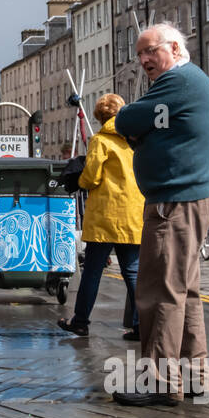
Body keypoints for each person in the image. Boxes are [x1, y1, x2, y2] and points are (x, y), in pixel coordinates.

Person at [110, 23, 209, 406]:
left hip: (174, 202)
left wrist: (139, 130)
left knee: (159, 293)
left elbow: (125, 120)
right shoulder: (186, 83)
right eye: (139, 54)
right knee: (185, 293)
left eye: (150, 51)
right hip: (186, 199)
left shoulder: (178, 83)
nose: (143, 60)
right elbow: (139, 121)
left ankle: (158, 381)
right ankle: (194, 377)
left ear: (174, 47)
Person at [57, 93, 143, 339]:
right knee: (133, 272)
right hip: (133, 212)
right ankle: (141, 325)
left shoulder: (101, 140)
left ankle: (81, 321)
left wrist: (79, 180)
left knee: (93, 271)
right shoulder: (134, 140)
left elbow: (92, 176)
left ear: (100, 117)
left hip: (106, 215)